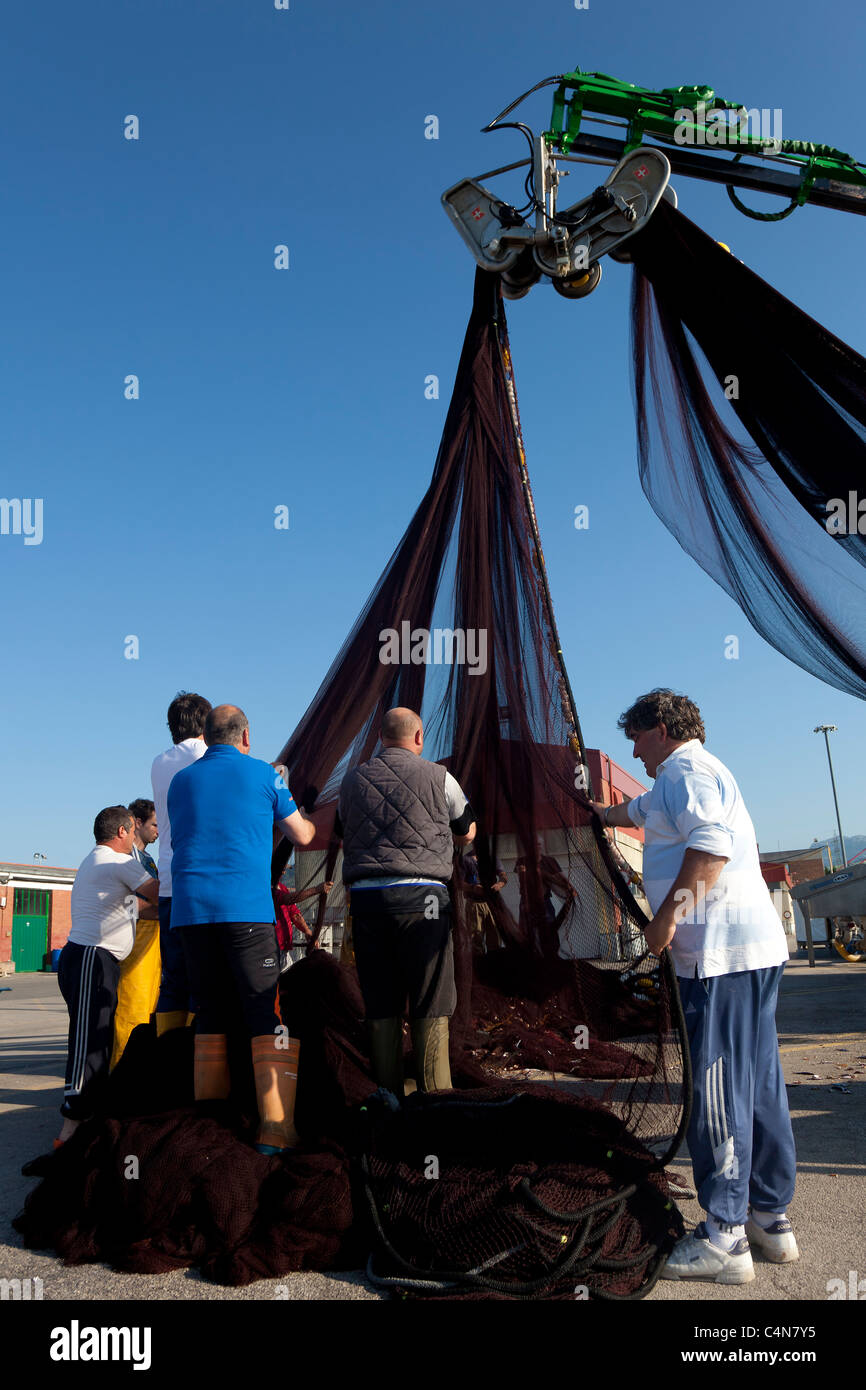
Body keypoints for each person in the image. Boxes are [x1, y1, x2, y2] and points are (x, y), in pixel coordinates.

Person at [590, 689, 796, 1284]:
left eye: (636, 735)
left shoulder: (686, 769)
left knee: (718, 1088)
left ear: (661, 728)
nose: (633, 748)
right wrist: (595, 813)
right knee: (758, 1080)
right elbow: (635, 813)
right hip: (753, 952)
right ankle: (769, 1219)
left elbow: (710, 847)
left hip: (719, 957)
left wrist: (665, 920)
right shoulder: (684, 779)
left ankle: (725, 1238)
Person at [168, 705, 319, 1153]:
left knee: (209, 1009)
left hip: (192, 913)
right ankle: (275, 1127)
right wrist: (305, 815)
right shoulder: (266, 777)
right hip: (246, 913)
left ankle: (209, 1123)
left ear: (208, 737)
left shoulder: (181, 781)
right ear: (246, 736)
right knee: (262, 1012)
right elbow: (303, 836)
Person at [335, 707, 475, 1095]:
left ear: (381, 738)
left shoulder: (352, 781)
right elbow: (466, 831)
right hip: (424, 898)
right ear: (419, 738)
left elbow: (341, 831)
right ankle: (435, 1094)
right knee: (431, 994)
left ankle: (388, 1095)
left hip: (368, 901)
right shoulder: (440, 777)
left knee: (380, 997)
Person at [57, 807, 160, 1142]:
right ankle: (69, 1131)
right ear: (121, 832)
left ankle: (88, 1125)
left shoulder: (96, 861)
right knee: (87, 1043)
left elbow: (135, 907)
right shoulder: (121, 863)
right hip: (92, 959)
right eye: (132, 832)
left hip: (90, 960)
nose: (134, 840)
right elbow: (159, 894)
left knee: (97, 1043)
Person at [150, 692, 212, 1034]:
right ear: (206, 725)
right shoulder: (206, 756)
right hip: (199, 883)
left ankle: (167, 1057)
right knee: (204, 978)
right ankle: (198, 1063)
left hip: (169, 882)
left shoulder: (159, 762)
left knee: (173, 978)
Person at [109, 799, 162, 1067]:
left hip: (154, 945)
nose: (158, 830)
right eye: (154, 824)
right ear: (136, 824)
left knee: (149, 1011)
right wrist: (163, 911)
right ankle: (119, 1071)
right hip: (136, 943)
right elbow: (127, 904)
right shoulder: (125, 860)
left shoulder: (149, 861)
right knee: (132, 1010)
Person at [457, 848, 506, 953]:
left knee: (495, 938)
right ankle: (480, 966)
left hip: (492, 904)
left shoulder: (492, 859)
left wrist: (500, 884)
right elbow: (459, 883)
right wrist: (473, 888)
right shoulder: (465, 859)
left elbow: (503, 875)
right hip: (474, 904)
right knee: (475, 940)